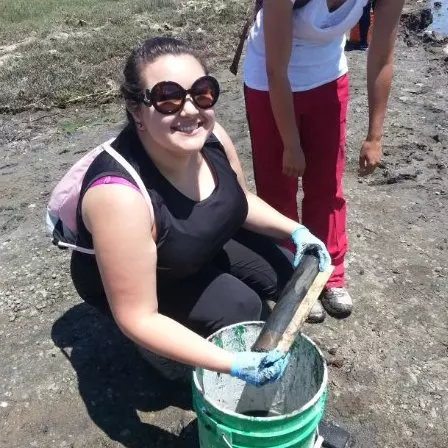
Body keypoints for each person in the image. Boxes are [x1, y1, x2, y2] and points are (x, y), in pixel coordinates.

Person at [69, 37, 331, 387]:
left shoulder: (212, 137)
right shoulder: (119, 198)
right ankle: (162, 356)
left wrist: (295, 231)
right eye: (168, 97)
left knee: (286, 276)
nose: (190, 110)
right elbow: (137, 316)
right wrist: (231, 362)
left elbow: (239, 200)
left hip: (190, 246)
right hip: (147, 276)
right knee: (242, 308)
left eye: (202, 92)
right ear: (136, 110)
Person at [242, 0, 405, 322]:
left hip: (328, 80)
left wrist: (375, 135)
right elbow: (276, 71)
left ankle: (328, 272)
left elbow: (382, 57)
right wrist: (291, 144)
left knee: (327, 185)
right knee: (278, 189)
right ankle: (289, 270)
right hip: (269, 82)